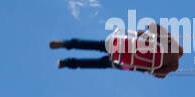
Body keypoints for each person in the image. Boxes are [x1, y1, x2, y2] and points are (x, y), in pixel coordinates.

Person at [52, 24, 183, 77]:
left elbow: (154, 27)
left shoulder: (170, 42)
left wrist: (146, 30)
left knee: (97, 45)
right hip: (127, 62)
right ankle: (66, 63)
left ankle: (67, 43)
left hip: (126, 45)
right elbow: (158, 74)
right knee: (99, 64)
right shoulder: (174, 65)